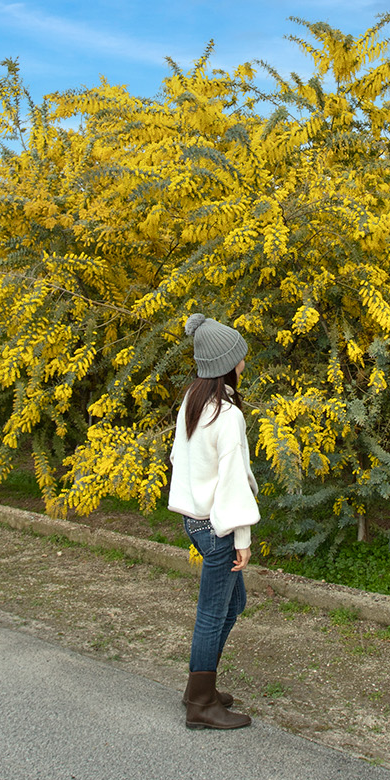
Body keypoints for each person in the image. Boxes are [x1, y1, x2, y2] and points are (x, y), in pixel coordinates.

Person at [167, 313, 260, 730]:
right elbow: (233, 483)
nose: (245, 361)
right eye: (240, 355)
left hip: (196, 520)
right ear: (226, 362)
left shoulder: (193, 400)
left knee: (232, 603)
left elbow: (178, 460)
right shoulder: (228, 414)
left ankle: (198, 688)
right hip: (219, 524)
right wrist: (242, 536)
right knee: (212, 611)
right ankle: (201, 703)